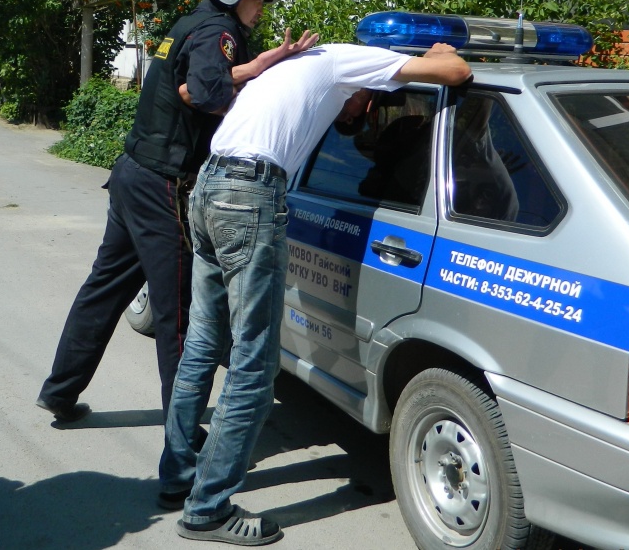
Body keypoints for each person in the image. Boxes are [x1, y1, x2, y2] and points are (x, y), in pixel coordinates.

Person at [159, 41, 472, 545]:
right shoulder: (347, 61)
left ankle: (176, 476)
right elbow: (454, 71)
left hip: (211, 185)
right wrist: (437, 50)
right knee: (254, 362)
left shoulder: (297, 67)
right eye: (364, 109)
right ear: (368, 92)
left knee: (202, 338)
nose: (352, 116)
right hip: (249, 196)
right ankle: (208, 508)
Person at [37, 0, 318, 422]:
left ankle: (60, 391)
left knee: (105, 288)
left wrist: (259, 65)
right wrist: (253, 86)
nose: (262, 7)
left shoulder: (193, 24)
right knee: (180, 315)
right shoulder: (219, 31)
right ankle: (181, 444)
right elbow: (207, 92)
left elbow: (197, 85)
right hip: (165, 184)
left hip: (133, 175)